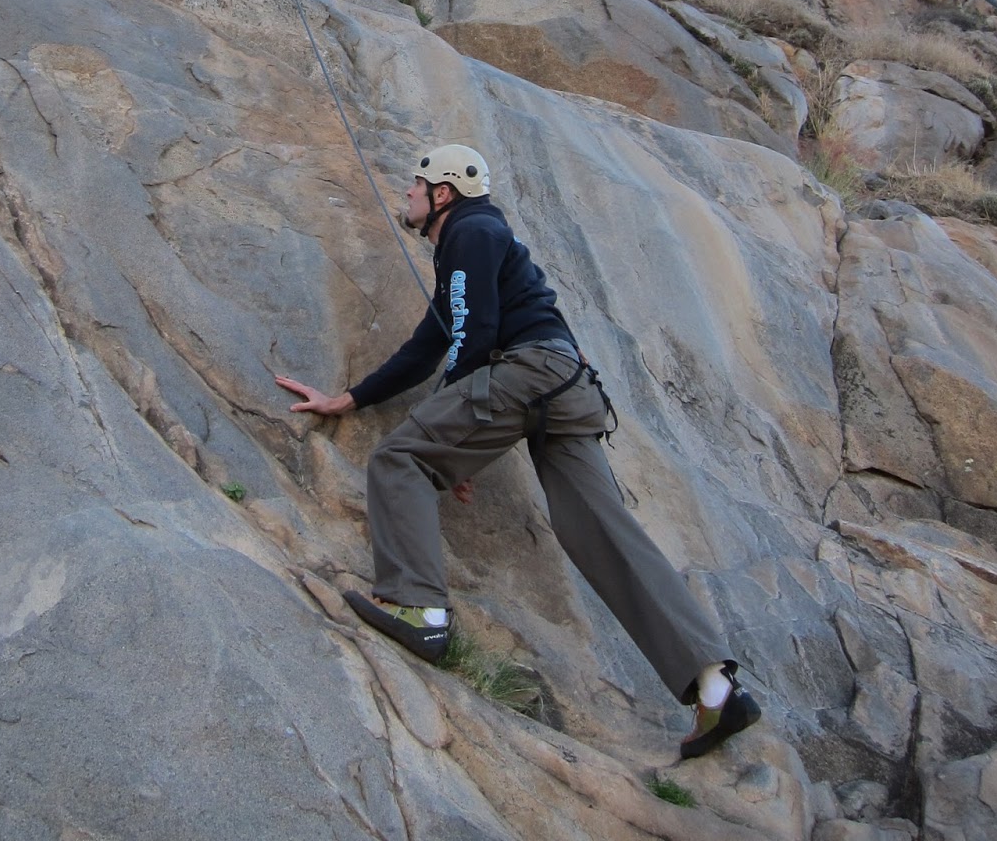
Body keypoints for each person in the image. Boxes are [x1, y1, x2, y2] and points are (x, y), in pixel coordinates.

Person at [275, 143, 760, 760]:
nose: (407, 196)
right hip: (568, 387)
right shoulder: (474, 251)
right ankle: (716, 688)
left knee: (400, 459)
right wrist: (351, 397)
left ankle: (418, 608)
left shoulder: (472, 232)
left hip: (527, 373)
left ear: (441, 194)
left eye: (414, 187)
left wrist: (452, 438)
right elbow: (430, 342)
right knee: (600, 528)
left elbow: (473, 337)